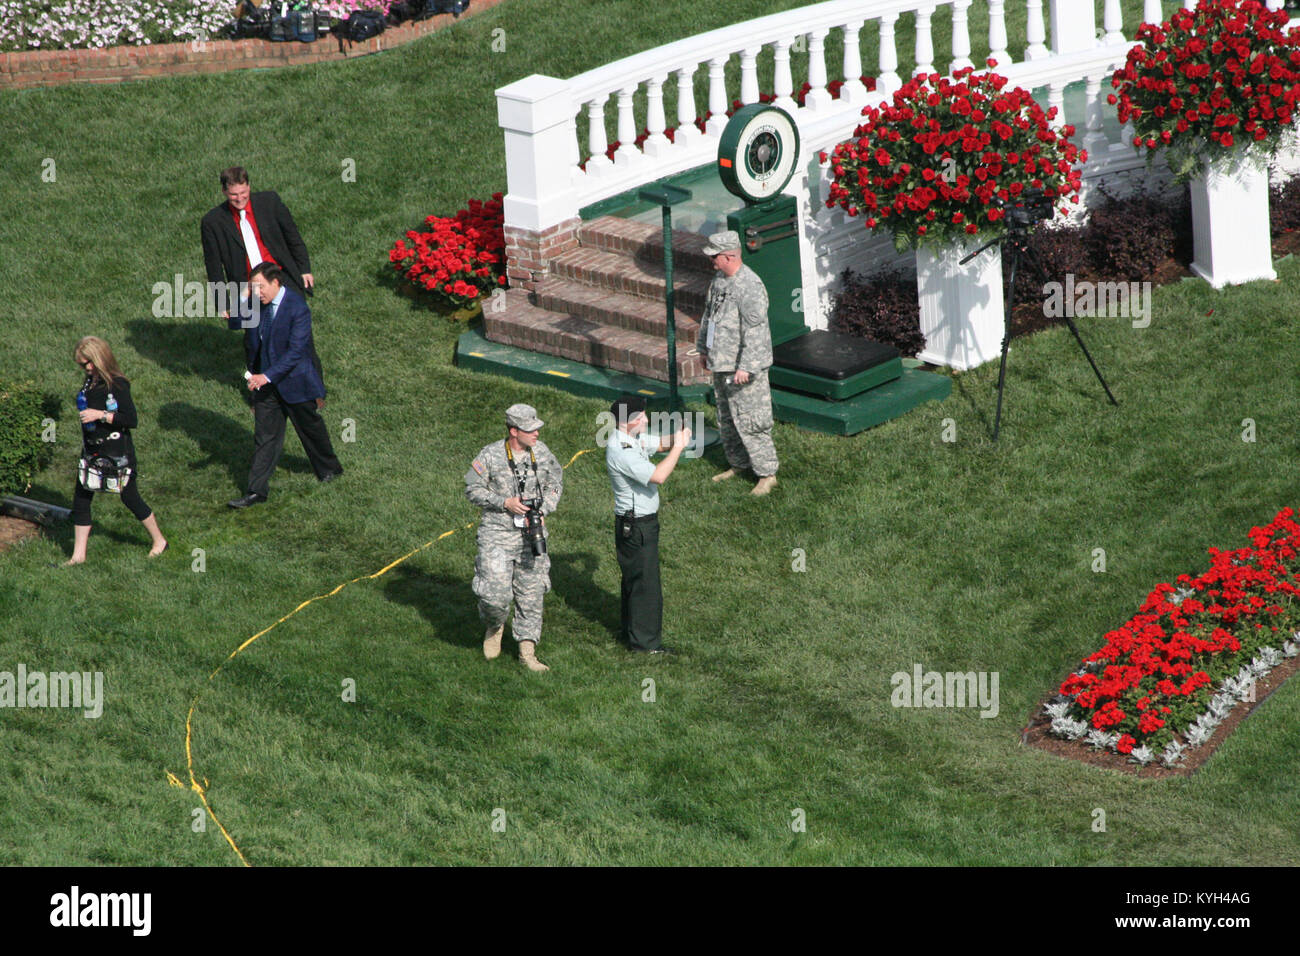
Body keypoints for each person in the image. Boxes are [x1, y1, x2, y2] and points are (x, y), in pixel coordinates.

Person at [200, 165, 324, 394]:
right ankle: (262, 396)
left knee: (300, 338)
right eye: (234, 195)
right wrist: (222, 302)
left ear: (249, 187)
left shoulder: (270, 202)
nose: (240, 199)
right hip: (248, 289)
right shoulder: (213, 222)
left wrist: (304, 269)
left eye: (244, 194)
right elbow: (213, 265)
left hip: (282, 279)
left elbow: (292, 235)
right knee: (255, 343)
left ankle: (314, 391)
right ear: (224, 192)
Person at [228, 262, 342, 509]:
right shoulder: (256, 303)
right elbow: (235, 322)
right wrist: (245, 295)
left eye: (261, 287)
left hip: (294, 383)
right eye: (254, 288)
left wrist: (266, 376)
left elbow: (296, 352)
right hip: (266, 387)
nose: (258, 293)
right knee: (265, 438)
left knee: (310, 429)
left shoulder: (297, 307)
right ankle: (256, 491)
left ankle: (329, 469)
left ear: (276, 282)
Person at [465, 404, 563, 672]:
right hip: (497, 534)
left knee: (532, 594)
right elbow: (472, 488)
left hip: (532, 535)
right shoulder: (490, 455)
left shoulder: (541, 453)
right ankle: (494, 625)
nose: (537, 434)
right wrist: (503, 501)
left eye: (537, 428)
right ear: (513, 431)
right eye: (531, 430)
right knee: (494, 595)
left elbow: (556, 482)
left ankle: (527, 651)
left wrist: (544, 509)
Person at [66, 337, 167, 565]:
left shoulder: (118, 384)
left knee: (129, 496)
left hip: (117, 452)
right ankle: (78, 556)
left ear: (100, 358)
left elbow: (131, 419)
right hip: (92, 450)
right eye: (82, 365)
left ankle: (159, 541)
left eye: (89, 363)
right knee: (81, 498)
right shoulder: (89, 381)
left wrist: (99, 415)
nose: (87, 368)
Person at [605, 395, 691, 655]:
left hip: (634, 526)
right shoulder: (623, 451)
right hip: (639, 528)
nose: (647, 419)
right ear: (628, 422)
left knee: (635, 580)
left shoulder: (631, 438)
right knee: (646, 586)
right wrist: (680, 448)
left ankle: (631, 632)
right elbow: (659, 476)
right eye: (641, 416)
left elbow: (660, 444)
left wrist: (679, 437)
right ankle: (646, 645)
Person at [696, 230, 779, 495]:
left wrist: (748, 365)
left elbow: (756, 331)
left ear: (730, 256)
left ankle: (767, 474)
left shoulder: (749, 286)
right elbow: (709, 317)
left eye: (715, 256)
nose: (712, 261)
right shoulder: (719, 280)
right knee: (727, 417)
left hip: (743, 369)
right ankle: (738, 463)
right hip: (721, 363)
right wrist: (703, 349)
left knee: (752, 419)